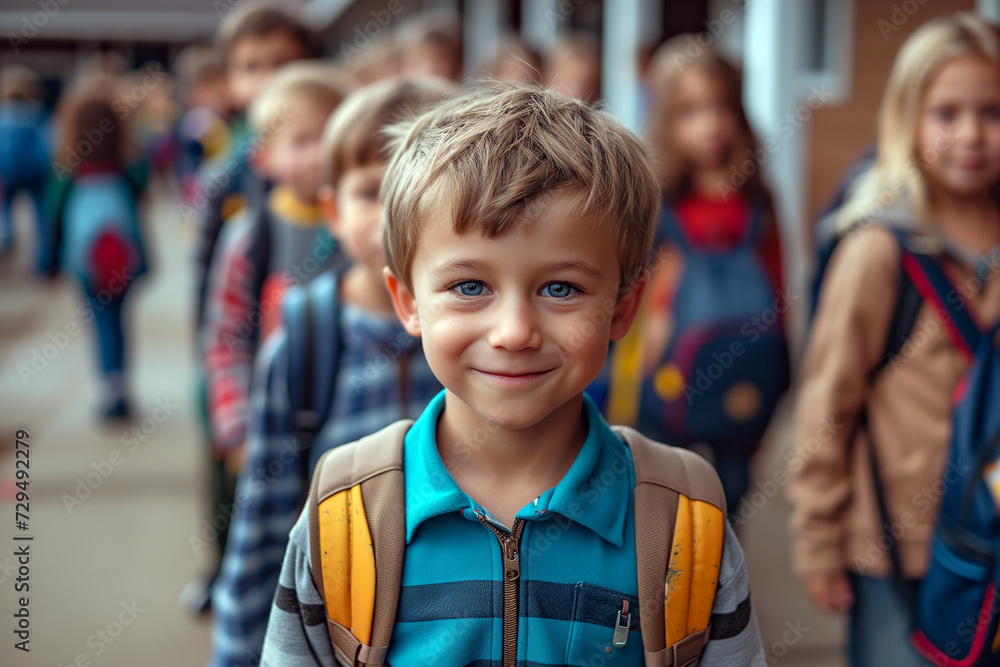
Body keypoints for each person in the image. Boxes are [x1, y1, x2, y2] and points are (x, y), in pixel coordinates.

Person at [260, 82, 764, 666]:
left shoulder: (683, 520)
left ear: (624, 306)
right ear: (408, 302)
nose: (514, 331)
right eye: (470, 287)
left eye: (561, 288)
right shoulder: (346, 513)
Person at [208, 77, 452, 667]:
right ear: (332, 211)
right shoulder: (306, 339)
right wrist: (239, 648)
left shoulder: (483, 342)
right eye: (373, 192)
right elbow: (262, 522)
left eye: (417, 189)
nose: (396, 213)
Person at [788, 13, 1000, 666]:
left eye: (992, 111)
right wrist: (818, 539)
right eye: (945, 113)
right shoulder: (877, 248)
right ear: (908, 120)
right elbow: (828, 401)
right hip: (893, 544)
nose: (970, 133)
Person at [605, 38, 787, 514]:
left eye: (720, 107)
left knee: (732, 493)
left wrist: (783, 361)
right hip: (665, 372)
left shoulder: (756, 198)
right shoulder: (655, 199)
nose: (709, 124)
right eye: (689, 111)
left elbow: (779, 281)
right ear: (665, 118)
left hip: (748, 370)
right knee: (663, 490)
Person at [41, 75, 148, 419]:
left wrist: (48, 263)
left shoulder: (67, 171)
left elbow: (52, 219)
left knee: (100, 321)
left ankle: (109, 387)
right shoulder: (127, 167)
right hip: (124, 258)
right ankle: (121, 384)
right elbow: (140, 204)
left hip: (85, 261)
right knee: (119, 320)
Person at [0, 64, 50, 258]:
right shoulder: (36, 113)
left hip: (6, 171)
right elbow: (46, 143)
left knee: (5, 209)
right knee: (41, 214)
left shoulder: (2, 114)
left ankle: (6, 243)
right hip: (34, 170)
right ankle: (43, 259)